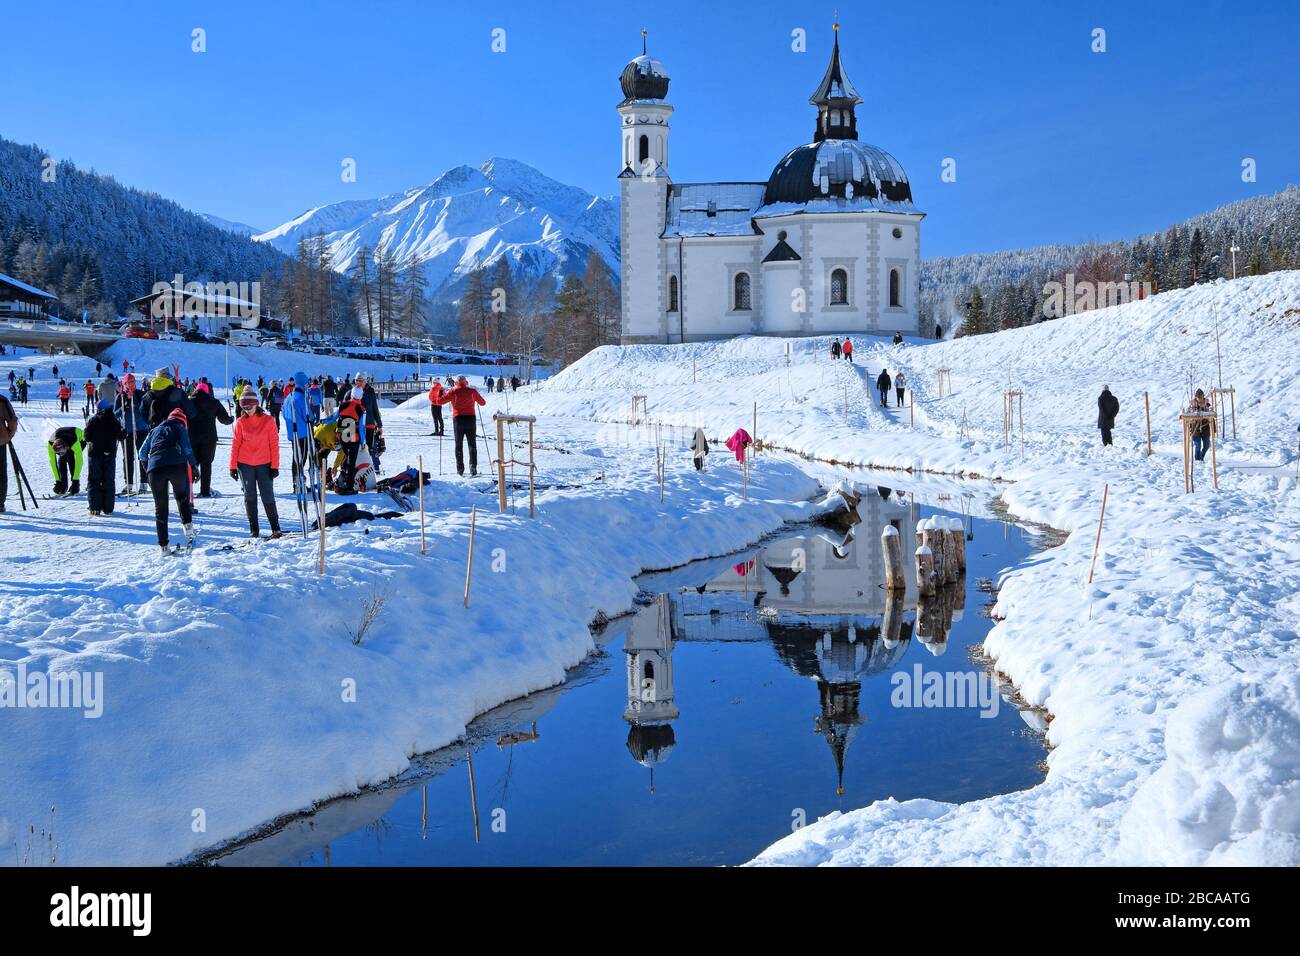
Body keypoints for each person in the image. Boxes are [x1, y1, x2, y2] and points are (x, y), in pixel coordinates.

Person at [139, 408, 197, 552]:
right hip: (176, 466)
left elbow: (142, 453)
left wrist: (149, 468)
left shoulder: (154, 430)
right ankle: (188, 529)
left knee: (161, 508)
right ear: (182, 421)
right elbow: (187, 447)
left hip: (155, 469)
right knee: (182, 497)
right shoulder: (179, 427)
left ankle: (164, 546)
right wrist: (194, 465)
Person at [229, 388, 282, 539]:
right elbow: (235, 445)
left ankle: (275, 528)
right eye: (243, 407)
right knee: (250, 496)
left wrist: (275, 466)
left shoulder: (268, 420)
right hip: (244, 465)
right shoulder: (240, 422)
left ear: (256, 404)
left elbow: (274, 444)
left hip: (264, 464)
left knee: (267, 495)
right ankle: (254, 530)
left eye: (249, 407)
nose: (247, 410)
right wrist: (232, 466)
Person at [436, 375, 486, 477]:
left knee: (458, 444)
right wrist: (476, 397)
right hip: (470, 419)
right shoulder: (472, 391)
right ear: (465, 382)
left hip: (458, 419)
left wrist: (440, 393)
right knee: (472, 444)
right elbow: (483, 403)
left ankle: (460, 469)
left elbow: (439, 401)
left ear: (456, 382)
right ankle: (473, 468)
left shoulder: (453, 392)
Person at [190, 382, 233, 497]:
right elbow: (224, 419)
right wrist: (231, 419)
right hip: (209, 439)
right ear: (207, 391)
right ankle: (205, 491)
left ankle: (188, 491)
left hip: (192, 438)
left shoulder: (189, 402)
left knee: (191, 464)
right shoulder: (214, 402)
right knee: (206, 464)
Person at [83, 399, 124, 515]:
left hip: (95, 453)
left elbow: (87, 437)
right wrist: (123, 432)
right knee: (109, 480)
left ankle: (95, 507)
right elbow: (121, 436)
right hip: (109, 454)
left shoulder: (94, 420)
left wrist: (87, 430)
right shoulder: (114, 420)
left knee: (94, 479)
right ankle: (108, 508)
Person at [281, 372, 315, 487]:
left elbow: (284, 414)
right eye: (307, 384)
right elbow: (309, 417)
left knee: (296, 457)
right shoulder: (301, 398)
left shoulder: (288, 398)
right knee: (302, 457)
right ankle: (299, 481)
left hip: (292, 433)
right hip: (302, 433)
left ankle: (296, 481)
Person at [116, 374, 148, 492]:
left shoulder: (141, 394)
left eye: (132, 382)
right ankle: (128, 483)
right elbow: (115, 414)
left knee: (142, 455)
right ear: (123, 384)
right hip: (127, 430)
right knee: (128, 457)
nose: (130, 384)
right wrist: (123, 407)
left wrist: (136, 405)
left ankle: (144, 482)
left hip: (142, 428)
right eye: (127, 383)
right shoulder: (120, 396)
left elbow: (147, 409)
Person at [355, 374, 384, 473]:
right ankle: (359, 469)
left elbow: (375, 409)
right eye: (356, 380)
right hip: (357, 425)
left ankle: (375, 467)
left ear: (365, 381)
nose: (358, 382)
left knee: (371, 447)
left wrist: (379, 425)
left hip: (369, 423)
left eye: (360, 380)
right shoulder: (353, 392)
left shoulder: (370, 392)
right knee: (358, 448)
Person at [47, 425, 85, 496]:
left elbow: (79, 462)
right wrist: (58, 480)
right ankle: (63, 485)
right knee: (61, 461)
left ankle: (75, 484)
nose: (60, 454)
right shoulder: (50, 444)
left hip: (80, 438)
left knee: (71, 459)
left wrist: (75, 481)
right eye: (58, 453)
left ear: (67, 447)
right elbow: (53, 463)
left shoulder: (74, 444)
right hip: (62, 437)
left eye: (62, 452)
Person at [0, 387, 17, 512]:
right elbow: (12, 421)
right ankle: (0, 503)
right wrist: (8, 436)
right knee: (0, 472)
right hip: (0, 439)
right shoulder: (2, 400)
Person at [1186, 388, 1213, 461]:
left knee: (1207, 445)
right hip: (1195, 426)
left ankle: (1201, 456)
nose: (1199, 399)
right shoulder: (1192, 404)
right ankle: (1197, 460)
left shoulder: (1206, 403)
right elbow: (1187, 413)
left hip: (1205, 425)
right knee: (1197, 444)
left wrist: (1209, 411)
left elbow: (1210, 412)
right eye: (1198, 397)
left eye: (1201, 397)